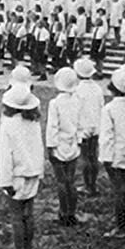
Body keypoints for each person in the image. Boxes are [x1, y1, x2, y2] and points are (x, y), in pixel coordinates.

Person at [0, 84, 45, 249]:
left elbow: (5, 155)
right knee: (28, 215)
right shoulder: (34, 122)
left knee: (17, 217)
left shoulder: (8, 125)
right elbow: (38, 148)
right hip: (32, 172)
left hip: (16, 175)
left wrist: (4, 180)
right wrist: (39, 172)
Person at [99, 68, 125, 239]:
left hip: (115, 154)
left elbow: (106, 136)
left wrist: (105, 158)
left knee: (119, 191)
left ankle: (120, 227)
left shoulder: (109, 109)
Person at [46, 67, 81, 226]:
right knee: (71, 181)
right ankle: (72, 212)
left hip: (59, 144)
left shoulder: (55, 103)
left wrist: (51, 146)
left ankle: (63, 211)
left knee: (61, 181)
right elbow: (80, 123)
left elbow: (53, 126)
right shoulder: (77, 101)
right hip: (73, 143)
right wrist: (78, 140)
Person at [73, 58, 104, 197]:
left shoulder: (77, 90)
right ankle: (93, 184)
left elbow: (76, 109)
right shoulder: (97, 88)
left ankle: (88, 185)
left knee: (86, 157)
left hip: (83, 127)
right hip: (96, 125)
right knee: (93, 156)